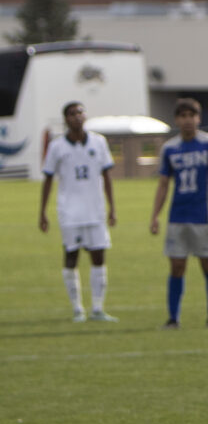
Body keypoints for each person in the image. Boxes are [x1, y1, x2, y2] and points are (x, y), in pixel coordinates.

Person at [149, 98, 208, 330]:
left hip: (203, 216)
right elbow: (163, 184)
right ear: (176, 120)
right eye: (182, 116)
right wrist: (155, 216)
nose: (187, 120)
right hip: (177, 216)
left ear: (198, 118)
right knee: (176, 266)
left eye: (191, 116)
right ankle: (173, 318)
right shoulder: (170, 148)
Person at [37, 101, 118, 322]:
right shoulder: (57, 146)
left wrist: (112, 207)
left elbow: (107, 176)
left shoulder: (98, 142)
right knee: (71, 256)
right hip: (69, 211)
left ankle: (98, 308)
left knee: (98, 256)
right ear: (66, 119)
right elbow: (48, 178)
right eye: (72, 113)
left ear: (85, 116)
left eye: (80, 112)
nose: (77, 116)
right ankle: (77, 309)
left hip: (95, 209)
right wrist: (42, 212)